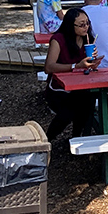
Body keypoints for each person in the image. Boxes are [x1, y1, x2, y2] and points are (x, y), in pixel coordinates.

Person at [43, 8, 102, 141]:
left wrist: (91, 64)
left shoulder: (88, 39)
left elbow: (85, 66)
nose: (86, 27)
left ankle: (77, 138)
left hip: (80, 87)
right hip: (59, 89)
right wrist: (76, 66)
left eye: (87, 23)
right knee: (70, 110)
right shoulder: (58, 40)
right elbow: (48, 67)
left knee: (87, 104)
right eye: (81, 24)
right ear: (71, 25)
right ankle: (48, 140)